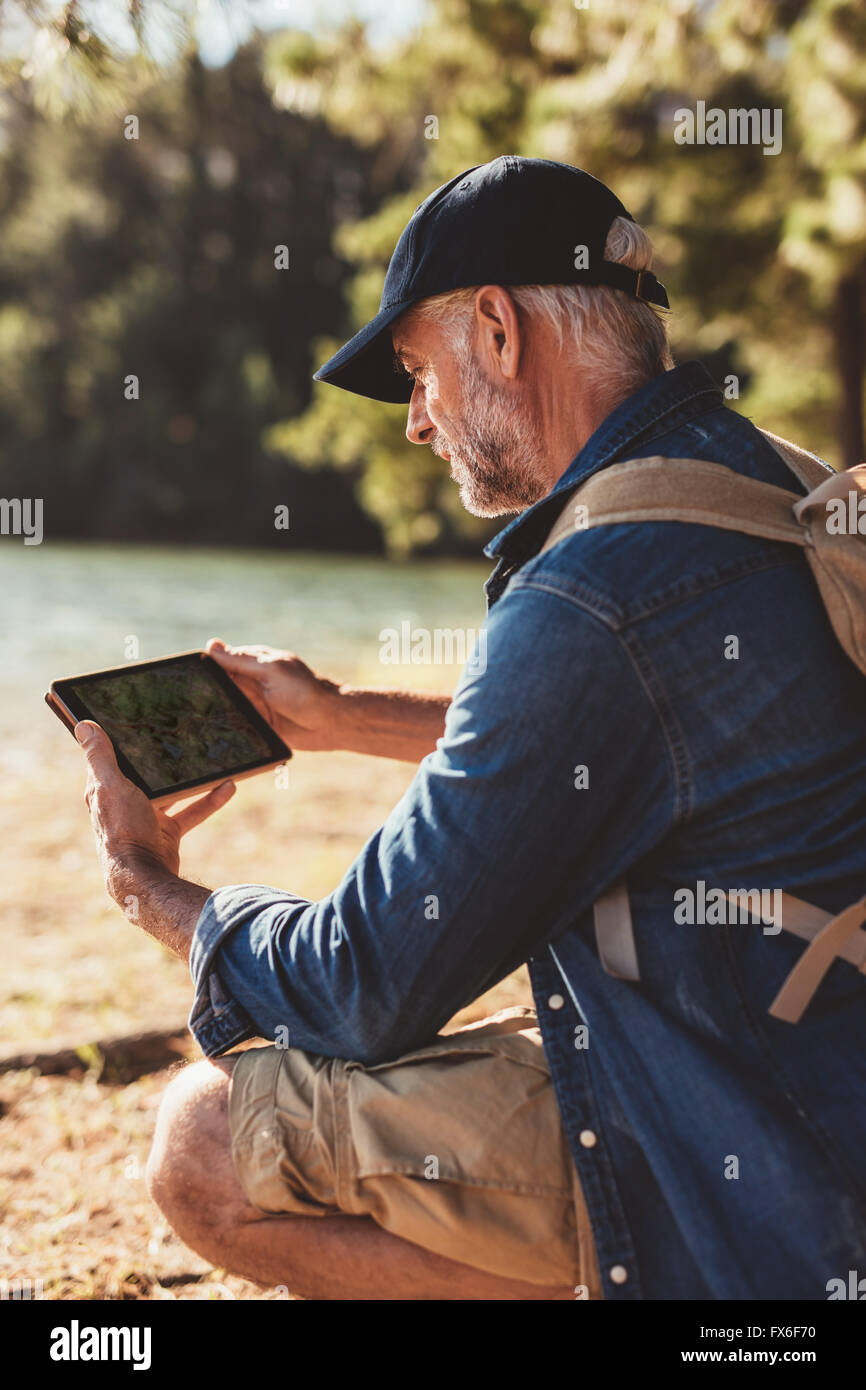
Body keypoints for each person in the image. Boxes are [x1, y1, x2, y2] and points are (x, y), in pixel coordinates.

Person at [76, 157, 866, 1301]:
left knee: (205, 1139)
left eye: (413, 371)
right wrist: (341, 716)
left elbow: (364, 981)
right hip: (809, 1074)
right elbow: (634, 745)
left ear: (496, 330)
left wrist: (147, 883)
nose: (413, 422)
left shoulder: (587, 599)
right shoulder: (767, 490)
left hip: (743, 1176)